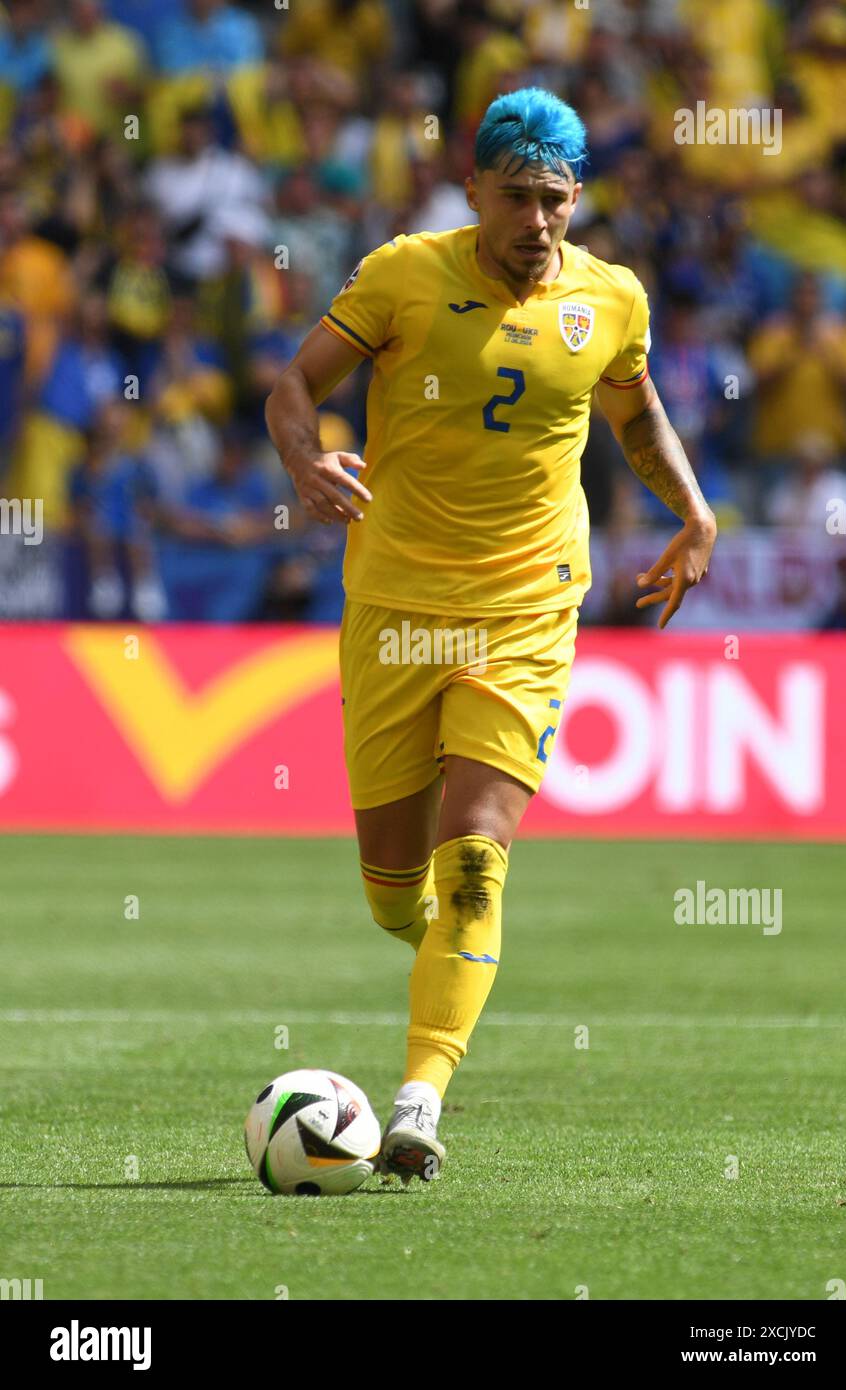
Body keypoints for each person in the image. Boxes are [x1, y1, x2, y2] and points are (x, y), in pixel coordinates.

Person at [265, 87, 717, 1185]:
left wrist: (693, 511)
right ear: (472, 190)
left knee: (475, 859)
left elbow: (634, 410)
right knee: (392, 895)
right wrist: (304, 456)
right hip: (394, 607)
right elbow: (293, 381)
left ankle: (419, 1099)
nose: (535, 220)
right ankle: (431, 956)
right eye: (513, 197)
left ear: (575, 199)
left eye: (553, 200)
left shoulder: (609, 300)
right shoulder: (400, 275)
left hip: (525, 606)